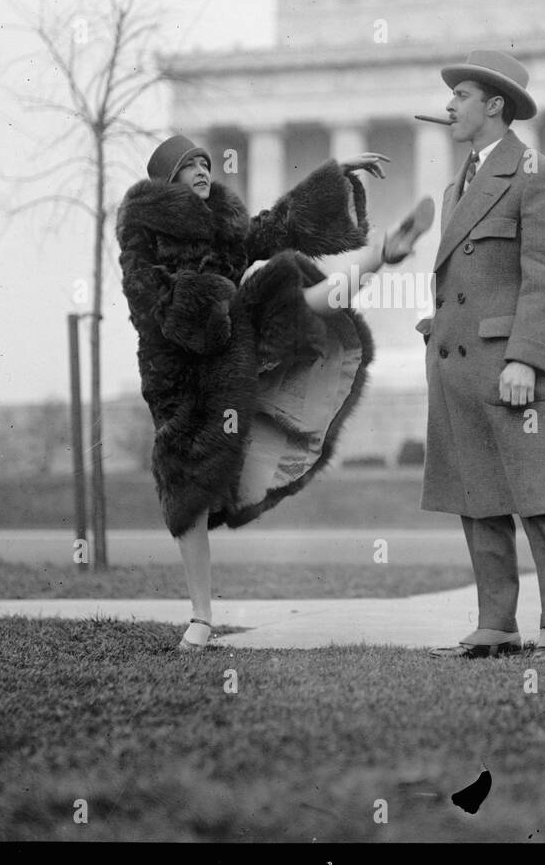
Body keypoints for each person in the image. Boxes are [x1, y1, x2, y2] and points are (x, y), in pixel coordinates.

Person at [116, 134, 433, 651]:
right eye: (188, 166)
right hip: (178, 369)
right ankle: (201, 615)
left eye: (204, 163)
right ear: (167, 180)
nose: (201, 170)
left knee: (293, 291)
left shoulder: (225, 227)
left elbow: (276, 224)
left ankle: (382, 253)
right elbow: (147, 297)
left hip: (230, 343)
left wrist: (335, 176)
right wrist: (213, 305)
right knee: (186, 486)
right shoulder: (142, 231)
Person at [416, 50, 545, 663]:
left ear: (494, 106)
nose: (450, 106)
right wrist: (436, 323)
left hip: (510, 366)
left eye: (460, 95)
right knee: (476, 497)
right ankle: (497, 624)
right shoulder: (458, 182)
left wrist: (529, 360)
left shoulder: (538, 173)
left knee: (535, 496)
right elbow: (468, 279)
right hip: (456, 363)